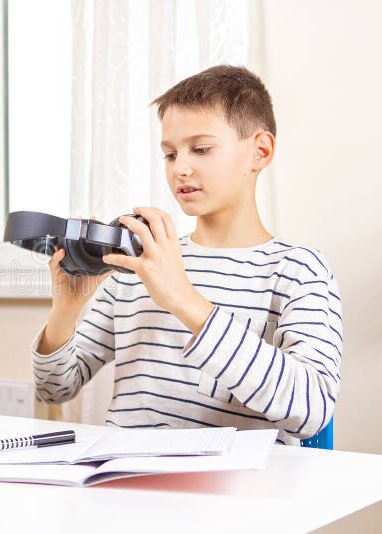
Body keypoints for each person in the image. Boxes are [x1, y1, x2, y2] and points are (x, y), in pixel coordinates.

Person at [33, 65, 342, 445]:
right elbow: (55, 389)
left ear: (260, 152)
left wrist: (183, 299)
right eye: (169, 153)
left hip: (236, 495)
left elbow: (311, 410)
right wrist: (64, 312)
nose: (181, 167)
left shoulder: (298, 271)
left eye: (201, 149)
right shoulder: (139, 265)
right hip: (124, 487)